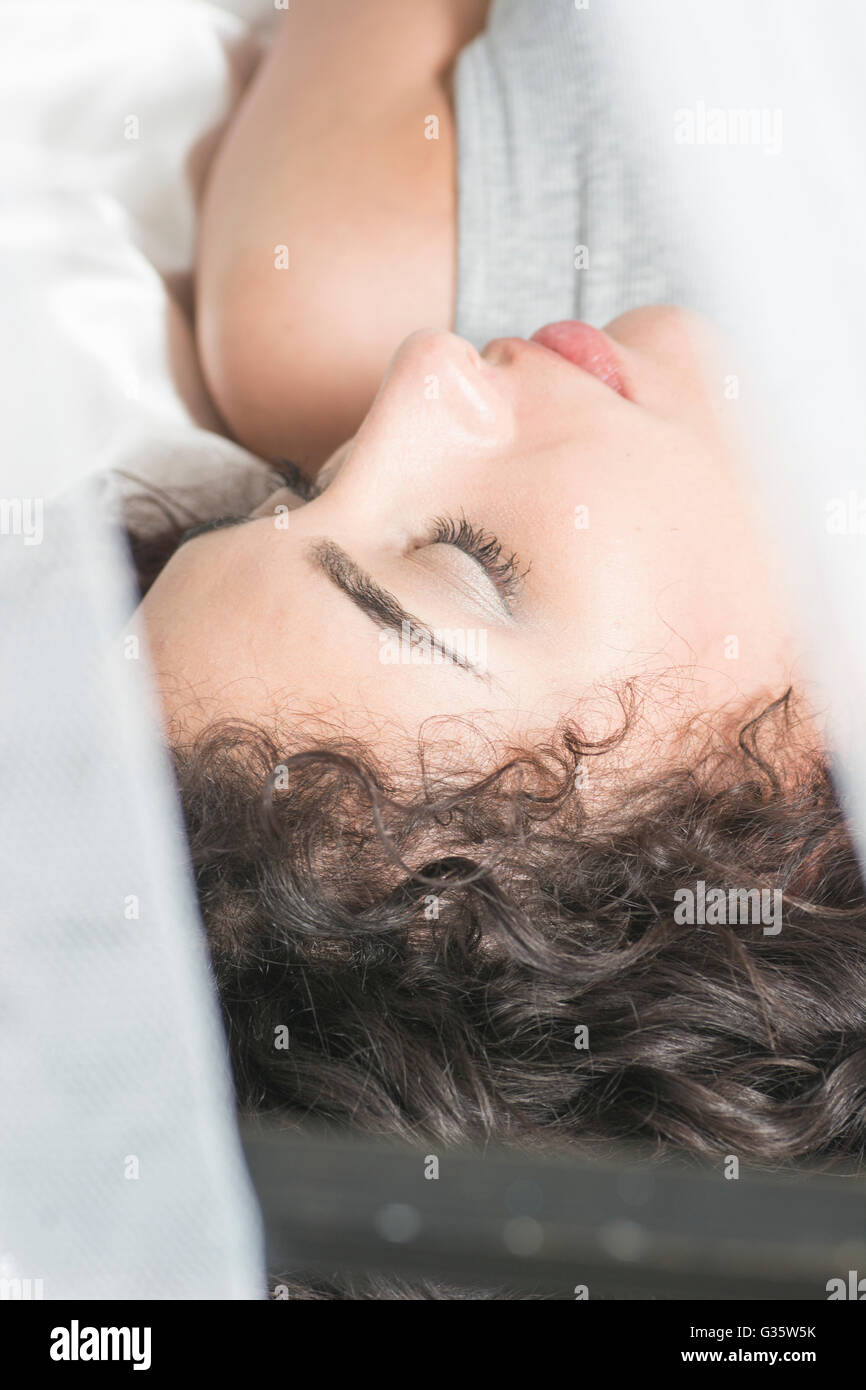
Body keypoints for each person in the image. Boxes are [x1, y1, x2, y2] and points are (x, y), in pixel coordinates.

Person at [129, 0, 866, 1298]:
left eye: (302, 482)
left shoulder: (347, 272)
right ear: (774, 888)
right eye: (469, 559)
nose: (425, 377)